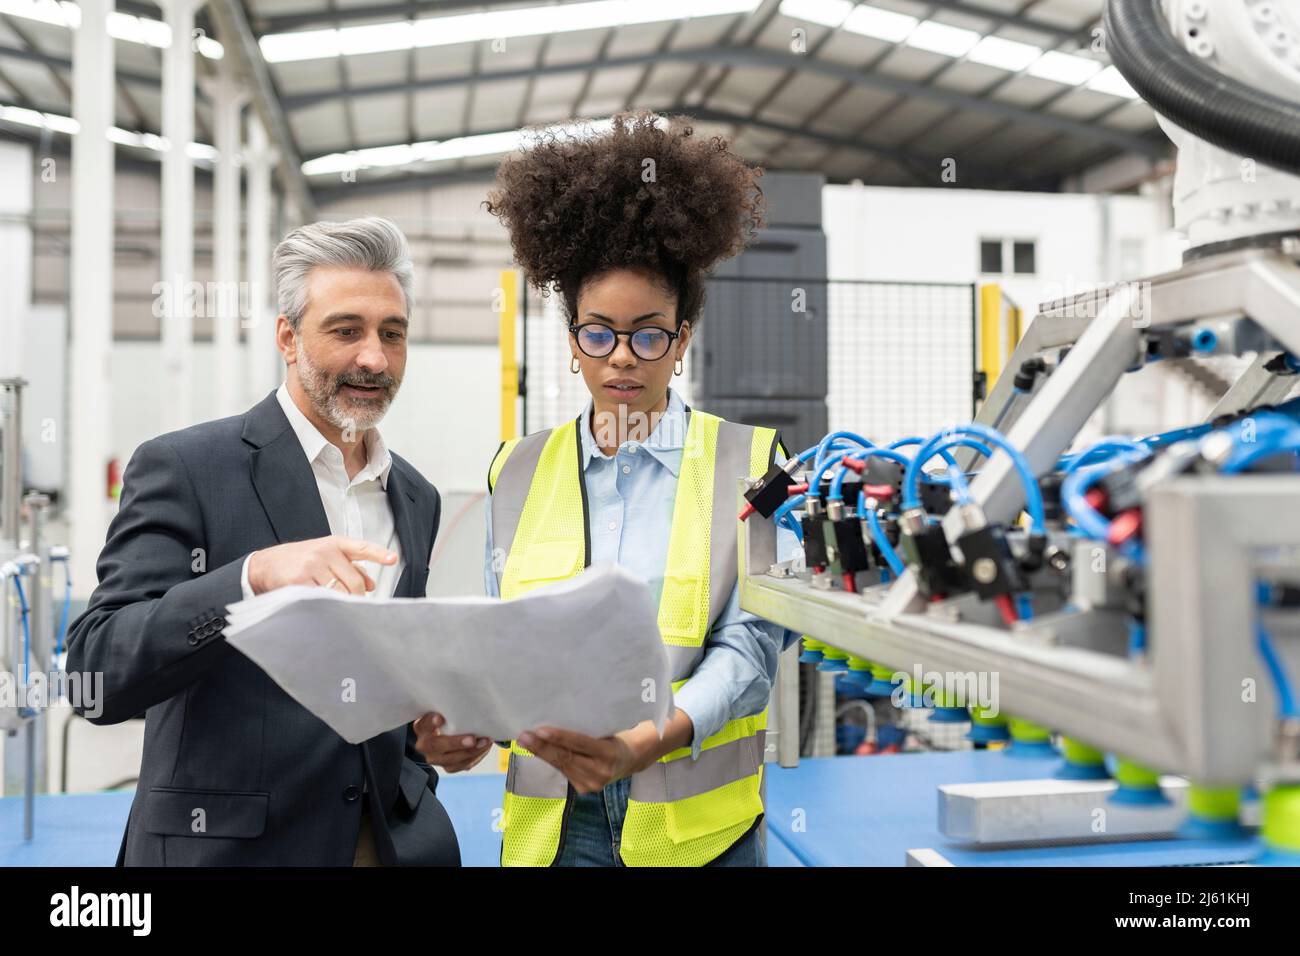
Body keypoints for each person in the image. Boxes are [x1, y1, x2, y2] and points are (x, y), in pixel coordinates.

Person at [413, 110, 798, 867]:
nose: (623, 358)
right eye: (599, 333)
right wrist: (470, 723)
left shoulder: (752, 463)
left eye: (649, 333)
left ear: (682, 339)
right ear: (572, 341)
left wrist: (651, 739)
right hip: (556, 830)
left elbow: (751, 648)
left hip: (698, 837)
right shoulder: (516, 470)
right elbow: (503, 642)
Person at [67, 217, 460, 866]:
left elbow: (383, 691)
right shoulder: (188, 468)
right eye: (346, 330)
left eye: (393, 333)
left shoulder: (415, 497)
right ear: (287, 336)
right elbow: (94, 672)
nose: (374, 357)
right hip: (231, 851)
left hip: (389, 845)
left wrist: (428, 738)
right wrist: (251, 577)